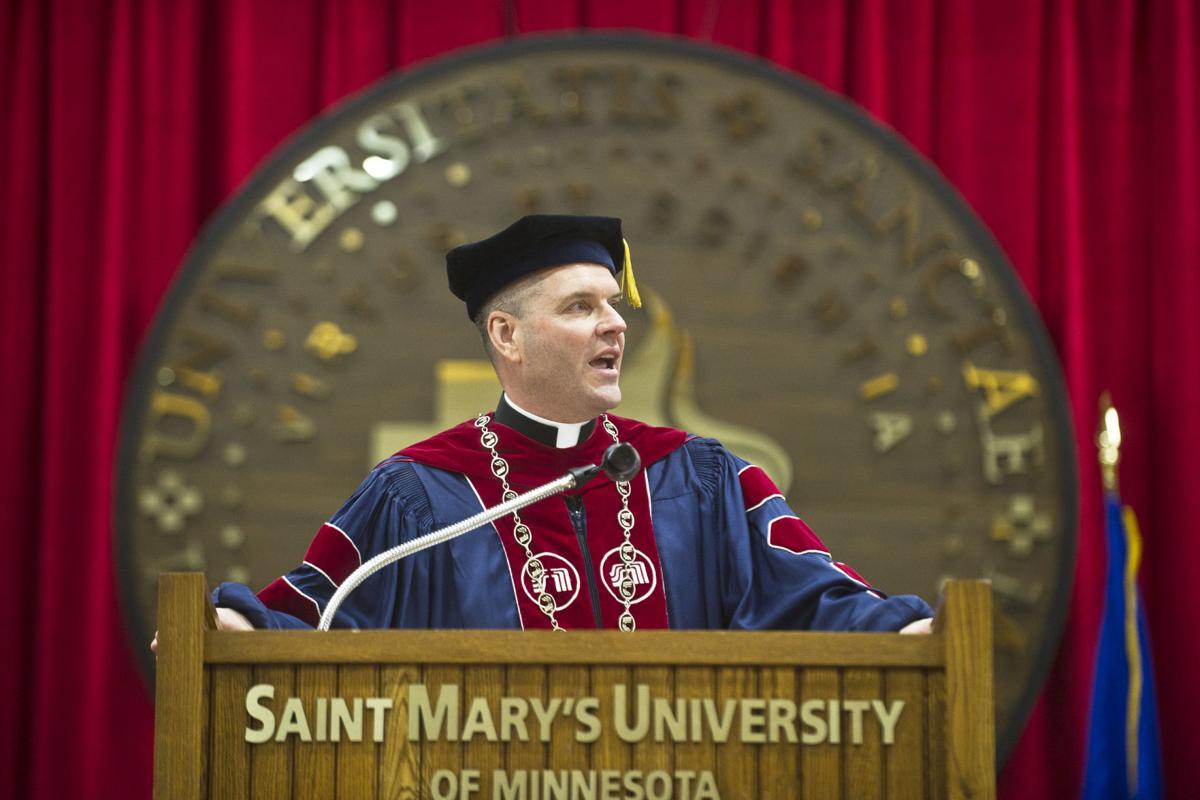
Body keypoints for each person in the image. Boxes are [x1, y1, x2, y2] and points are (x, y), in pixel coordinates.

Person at [155, 214, 932, 648]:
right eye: (580, 307)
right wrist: (229, 628)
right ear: (506, 335)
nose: (614, 325)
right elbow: (314, 606)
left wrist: (913, 631)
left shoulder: (702, 480)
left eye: (612, 305)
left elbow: (819, 593)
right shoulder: (419, 494)